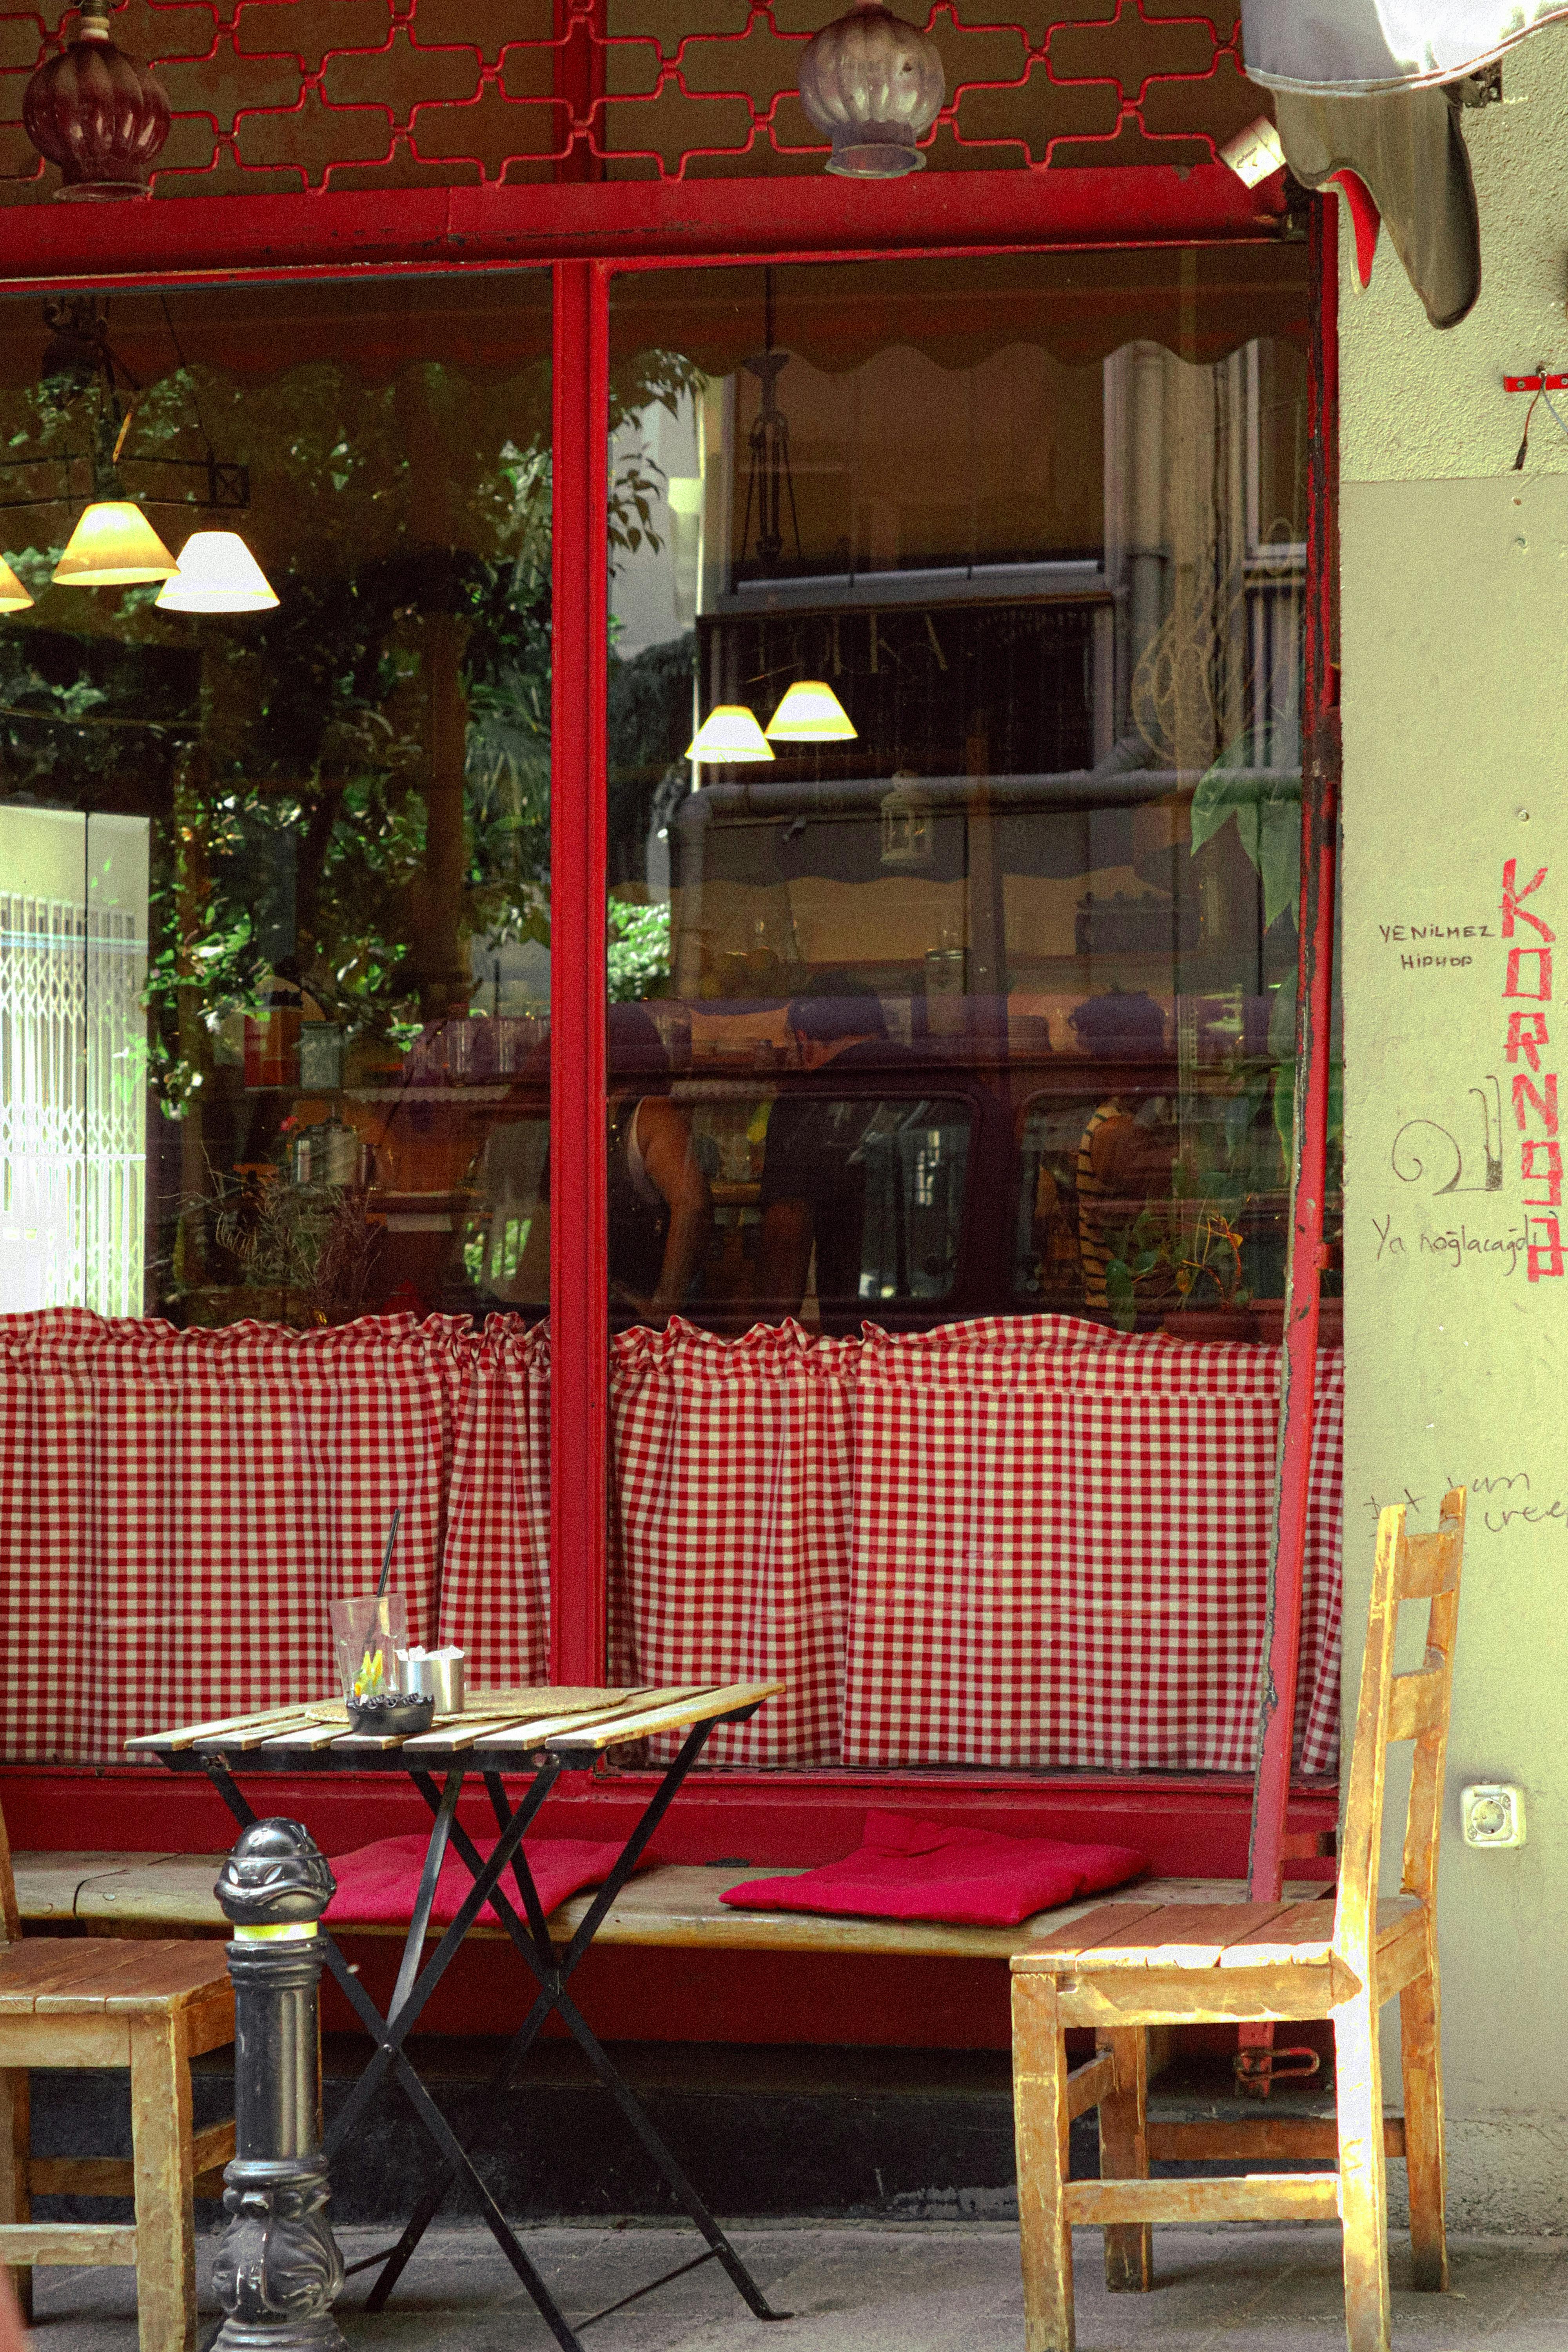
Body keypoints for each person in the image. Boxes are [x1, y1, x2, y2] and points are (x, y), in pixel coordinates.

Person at [476, 1005, 712, 1321]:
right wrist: (520, 1305)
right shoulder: (579, 1116)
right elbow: (548, 1220)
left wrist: (663, 1306)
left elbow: (693, 1204)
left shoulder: (650, 1113)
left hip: (629, 1317)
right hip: (585, 1310)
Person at [755, 975, 911, 1324]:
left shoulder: (803, 1102)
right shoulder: (945, 1078)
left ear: (804, 1041)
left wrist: (767, 1343)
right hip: (954, 1333)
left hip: (857, 1333)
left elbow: (786, 1238)